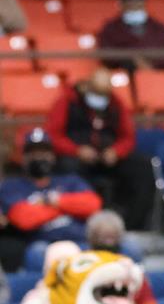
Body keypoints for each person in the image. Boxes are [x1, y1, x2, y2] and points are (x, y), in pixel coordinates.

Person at [45, 66, 157, 228]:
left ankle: (131, 224)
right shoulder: (67, 101)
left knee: (142, 166)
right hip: (76, 158)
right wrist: (76, 150)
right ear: (87, 86)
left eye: (104, 94)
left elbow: (128, 137)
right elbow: (53, 135)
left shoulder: (115, 103)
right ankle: (77, 222)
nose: (100, 98)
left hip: (108, 158)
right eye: (96, 93)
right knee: (67, 167)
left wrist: (116, 151)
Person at [0, 128, 101, 270]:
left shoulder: (70, 180)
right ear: (23, 157)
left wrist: (53, 202)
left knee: (127, 247)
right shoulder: (12, 186)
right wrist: (68, 208)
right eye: (33, 152)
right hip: (42, 243)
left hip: (80, 240)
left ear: (53, 155)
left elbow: (92, 204)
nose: (39, 157)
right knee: (38, 255)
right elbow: (23, 218)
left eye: (44, 152)